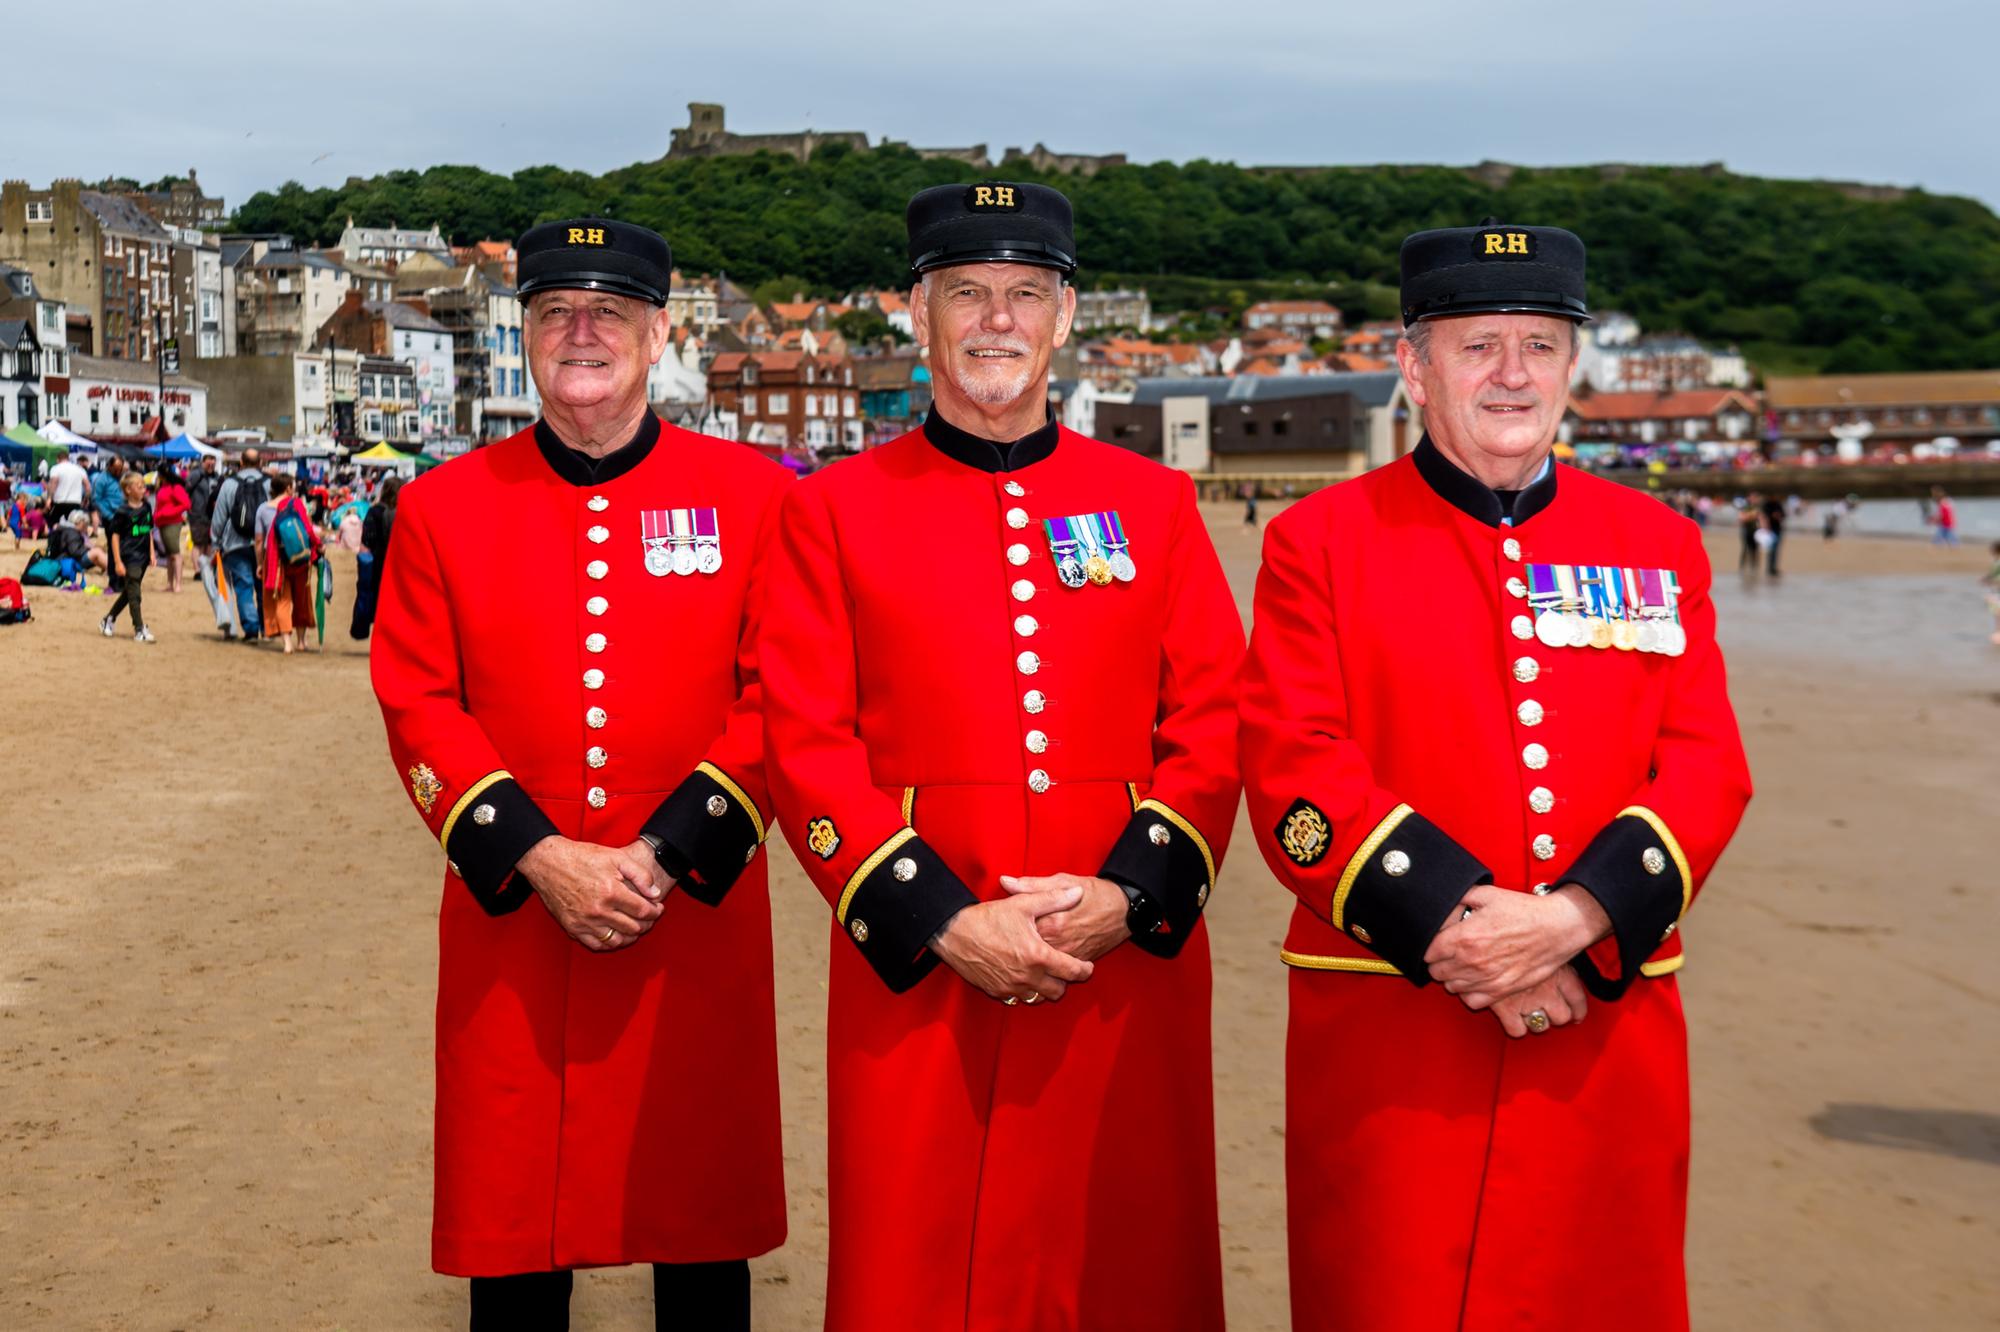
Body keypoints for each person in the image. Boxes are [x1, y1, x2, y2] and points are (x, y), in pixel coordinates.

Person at [1239, 220, 1752, 1330]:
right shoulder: (1318, 543)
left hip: (1600, 1027)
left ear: (1572, 364)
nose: (1511, 373)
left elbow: (1706, 764)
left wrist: (1572, 916)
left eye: (1537, 343)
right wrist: (1473, 937)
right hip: (1394, 1024)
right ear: (1413, 366)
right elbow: (1292, 767)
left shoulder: (1656, 543)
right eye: (1476, 346)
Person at [760, 182, 1243, 1330]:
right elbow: (804, 737)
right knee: (916, 1258)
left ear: (1065, 317)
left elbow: (1216, 717)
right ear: (914, 316)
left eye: (1025, 294)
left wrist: (1133, 892)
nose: (995, 320)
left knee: (1120, 1251)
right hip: (923, 960)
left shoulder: (1155, 504)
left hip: (1116, 955)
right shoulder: (830, 511)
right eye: (965, 293)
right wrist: (936, 916)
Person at [371, 217, 789, 1332]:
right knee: (516, 1228)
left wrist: (661, 854)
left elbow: (778, 695)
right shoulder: (442, 505)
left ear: (658, 335)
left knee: (698, 1226)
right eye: (555, 310)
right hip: (516, 919)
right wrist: (542, 857)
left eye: (610, 311)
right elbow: (416, 700)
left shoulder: (755, 498)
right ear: (526, 334)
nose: (581, 331)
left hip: (688, 915)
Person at [253, 474, 322, 654]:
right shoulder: (296, 503)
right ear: (289, 488)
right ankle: (301, 642)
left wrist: (260, 564)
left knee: (282, 601)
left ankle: (287, 644)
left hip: (276, 560)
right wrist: (318, 546)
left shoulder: (263, 509)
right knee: (301, 599)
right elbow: (307, 529)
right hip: (299, 558)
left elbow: (259, 541)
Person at [211, 449, 267, 642]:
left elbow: (220, 516)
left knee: (244, 586)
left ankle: (251, 629)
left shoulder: (229, 484)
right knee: (263, 586)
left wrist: (216, 541)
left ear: (241, 462)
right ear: (260, 462)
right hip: (265, 544)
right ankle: (267, 627)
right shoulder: (268, 483)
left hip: (235, 544)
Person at [100, 472, 156, 643]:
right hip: (128, 555)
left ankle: (108, 619)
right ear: (128, 490)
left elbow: (149, 531)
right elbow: (114, 537)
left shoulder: (146, 507)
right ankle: (139, 629)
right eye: (139, 487)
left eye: (143, 486)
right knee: (135, 594)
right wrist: (117, 561)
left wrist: (152, 553)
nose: (143, 490)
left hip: (143, 555)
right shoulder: (122, 511)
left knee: (129, 592)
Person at [350, 476, 399, 640]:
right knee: (394, 604)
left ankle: (378, 638)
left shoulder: (375, 511)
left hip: (377, 563)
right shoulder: (404, 510)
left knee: (375, 600)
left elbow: (366, 541)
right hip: (398, 564)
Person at [153, 465, 191, 593]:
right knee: (170, 554)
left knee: (175, 553)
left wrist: (167, 513)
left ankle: (178, 584)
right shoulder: (164, 487)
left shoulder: (176, 487)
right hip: (163, 522)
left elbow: (186, 504)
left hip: (172, 522)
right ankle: (170, 583)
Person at [47, 451, 89, 528]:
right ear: (68, 458)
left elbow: (53, 483)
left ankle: (57, 537)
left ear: (58, 460)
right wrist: (86, 499)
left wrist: (49, 498)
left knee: (55, 522)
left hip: (59, 501)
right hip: (75, 501)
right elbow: (87, 486)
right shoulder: (79, 469)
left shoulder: (56, 468)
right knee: (75, 523)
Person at [91, 455, 126, 535]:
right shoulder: (101, 479)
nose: (118, 471)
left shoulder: (121, 477)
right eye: (115, 468)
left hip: (124, 514)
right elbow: (96, 500)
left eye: (120, 468)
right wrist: (109, 516)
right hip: (111, 517)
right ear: (109, 466)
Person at [1983, 540, 2000, 646]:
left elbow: (1992, 575)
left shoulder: (1997, 563)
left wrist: (1987, 580)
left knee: (1997, 612)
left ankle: (1998, 633)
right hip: (1996, 590)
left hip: (1997, 590)